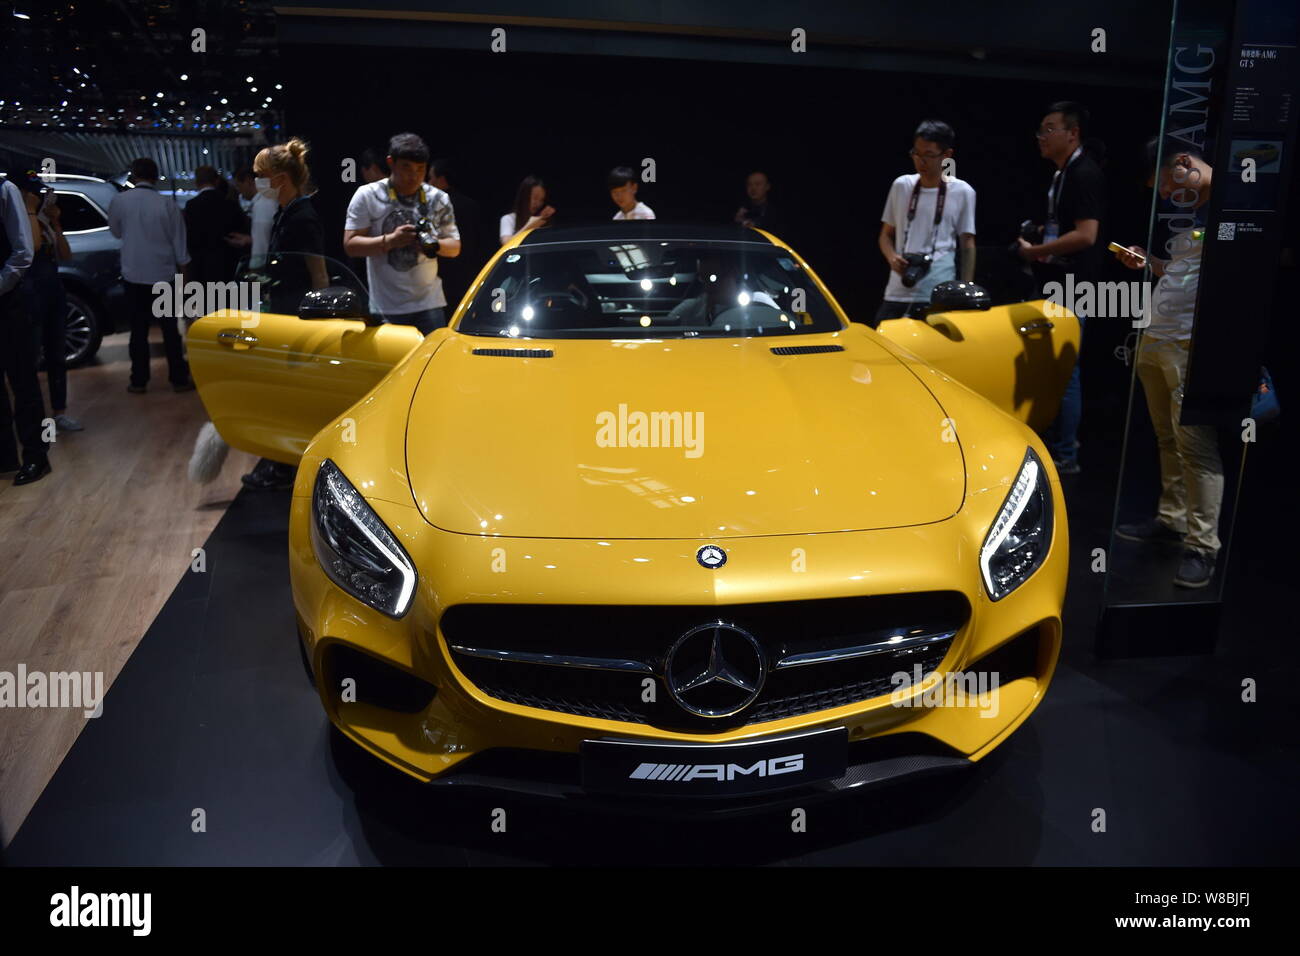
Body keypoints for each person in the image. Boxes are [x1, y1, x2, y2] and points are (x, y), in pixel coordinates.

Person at [1113, 141, 1222, 590]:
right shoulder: (1194, 210)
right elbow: (1180, 271)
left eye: (1163, 183)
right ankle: (1172, 518)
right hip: (1156, 335)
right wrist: (1148, 263)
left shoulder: (1235, 203)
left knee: (1195, 446)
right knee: (1165, 437)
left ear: (1182, 165)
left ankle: (1203, 546)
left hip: (1190, 342)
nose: (1163, 195)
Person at [1017, 101, 1105, 475]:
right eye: (1041, 129)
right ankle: (1062, 445)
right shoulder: (1060, 174)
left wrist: (1037, 250)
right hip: (1056, 284)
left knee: (1066, 371)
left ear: (1072, 133)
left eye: (1049, 128)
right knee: (1055, 370)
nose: (1042, 136)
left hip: (1073, 288)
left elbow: (1087, 235)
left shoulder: (1084, 173)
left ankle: (1066, 455)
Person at [241, 137, 328, 492]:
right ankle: (281, 464)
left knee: (289, 394)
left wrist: (321, 321)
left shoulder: (303, 217)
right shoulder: (286, 213)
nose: (256, 180)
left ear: (279, 178)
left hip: (298, 319)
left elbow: (318, 272)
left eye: (260, 174)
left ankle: (285, 466)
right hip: (284, 314)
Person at [343, 132, 461, 334]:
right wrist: (391, 240)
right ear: (391, 162)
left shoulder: (438, 198)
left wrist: (433, 244)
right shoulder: (367, 195)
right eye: (406, 167)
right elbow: (350, 246)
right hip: (385, 306)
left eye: (420, 169)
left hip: (429, 304)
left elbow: (455, 248)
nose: (413, 176)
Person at [875, 119, 977, 327]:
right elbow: (885, 235)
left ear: (947, 155)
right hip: (897, 290)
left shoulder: (963, 191)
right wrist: (892, 257)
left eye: (929, 155)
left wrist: (965, 290)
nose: (921, 161)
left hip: (938, 292)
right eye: (917, 153)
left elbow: (967, 244)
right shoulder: (901, 186)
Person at [107, 157, 193, 394]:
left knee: (138, 330)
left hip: (133, 275)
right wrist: (185, 278)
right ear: (155, 177)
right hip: (163, 275)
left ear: (134, 175)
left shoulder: (120, 201)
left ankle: (138, 380)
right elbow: (180, 246)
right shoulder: (167, 205)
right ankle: (178, 378)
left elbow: (115, 231)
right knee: (169, 331)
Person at [12, 169, 81, 433]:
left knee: (56, 354)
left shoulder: (42, 221)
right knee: (29, 358)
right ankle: (31, 418)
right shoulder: (18, 223)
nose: (36, 197)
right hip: (30, 297)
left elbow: (65, 254)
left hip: (52, 293)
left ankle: (59, 413)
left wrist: (56, 224)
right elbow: (33, 248)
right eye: (30, 193)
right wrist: (29, 212)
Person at [0, 170, 50, 484]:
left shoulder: (4, 190)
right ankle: (4, 456)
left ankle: (36, 456)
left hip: (7, 302)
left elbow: (22, 252)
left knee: (22, 381)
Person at [428, 158, 483, 313]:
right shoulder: (471, 205)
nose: (428, 182)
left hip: (441, 277)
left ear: (441, 179)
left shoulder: (435, 206)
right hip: (469, 276)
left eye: (431, 177)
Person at [184, 165, 249, 286]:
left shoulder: (191, 205)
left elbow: (190, 239)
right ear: (217, 181)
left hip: (201, 268)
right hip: (228, 266)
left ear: (197, 182)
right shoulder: (230, 204)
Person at [230, 167, 275, 269]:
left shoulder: (262, 204)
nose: (239, 191)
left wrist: (254, 271)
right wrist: (250, 239)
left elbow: (261, 247)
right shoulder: (269, 198)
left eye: (239, 186)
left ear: (248, 181)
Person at [500, 174, 555, 244]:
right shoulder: (508, 219)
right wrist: (530, 225)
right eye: (535, 198)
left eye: (541, 200)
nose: (538, 203)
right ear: (524, 196)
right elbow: (506, 244)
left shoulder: (542, 221)